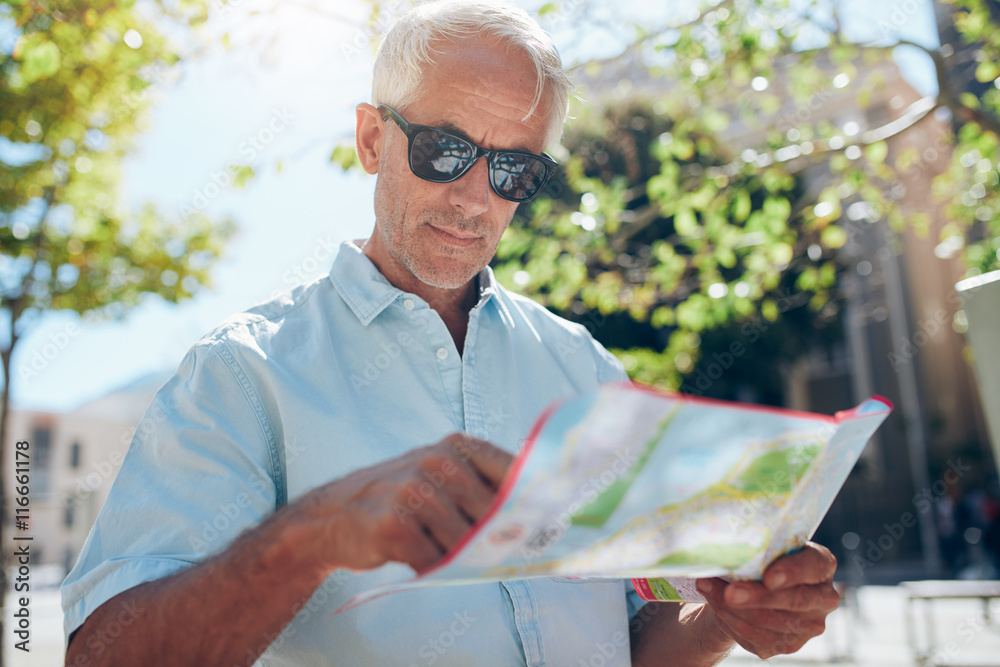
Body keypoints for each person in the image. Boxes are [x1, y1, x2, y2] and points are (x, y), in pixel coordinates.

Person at [61, 1, 841, 665]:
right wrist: (308, 537)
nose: (475, 199)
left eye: (512, 171)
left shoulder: (585, 369)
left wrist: (724, 622)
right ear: (372, 140)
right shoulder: (242, 371)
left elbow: (623, 638)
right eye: (446, 151)